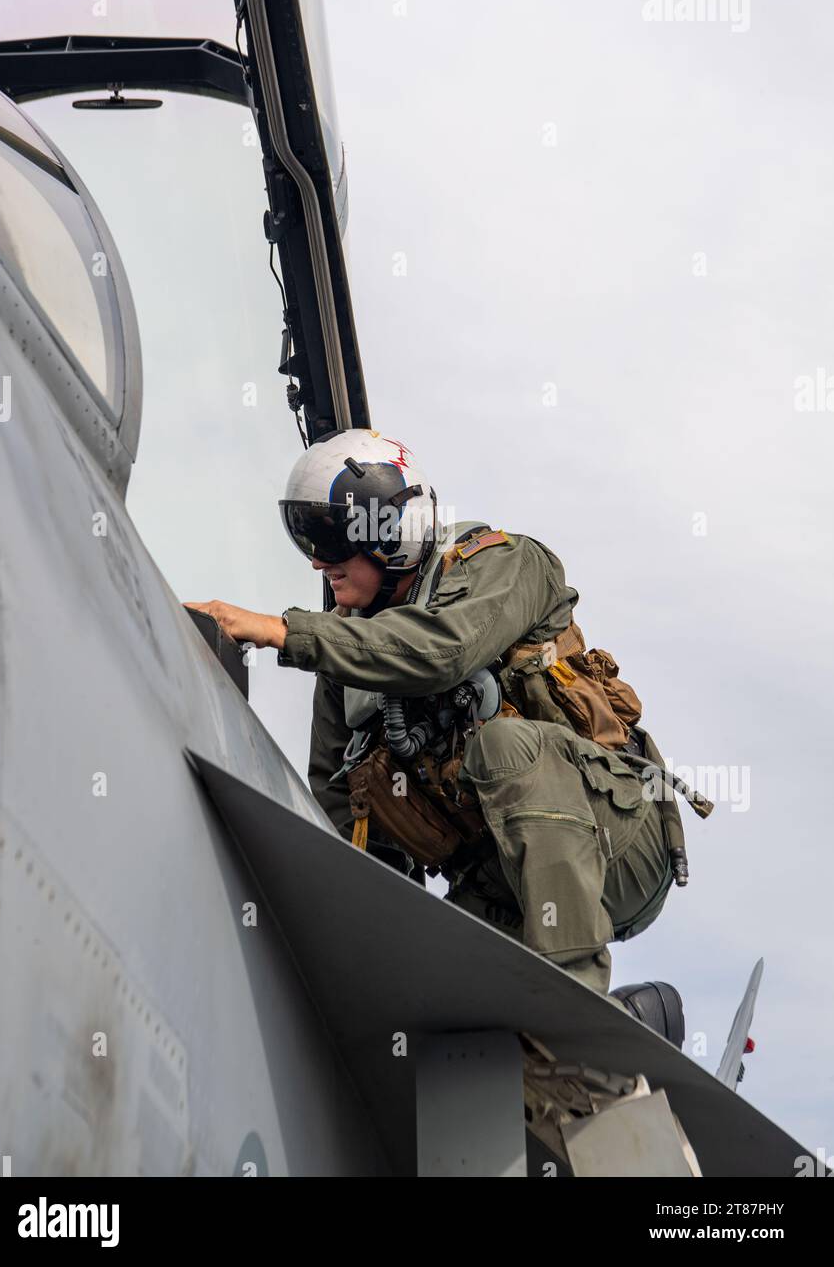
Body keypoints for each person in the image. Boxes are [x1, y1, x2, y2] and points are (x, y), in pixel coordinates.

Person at [187, 429, 704, 1026]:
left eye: (329, 537)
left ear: (389, 530)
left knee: (505, 746)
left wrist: (282, 631)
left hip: (619, 839)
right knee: (442, 1012)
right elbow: (343, 821)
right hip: (499, 884)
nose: (316, 560)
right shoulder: (347, 664)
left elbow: (443, 652)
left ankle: (575, 1013)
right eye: (305, 537)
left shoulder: (506, 562)